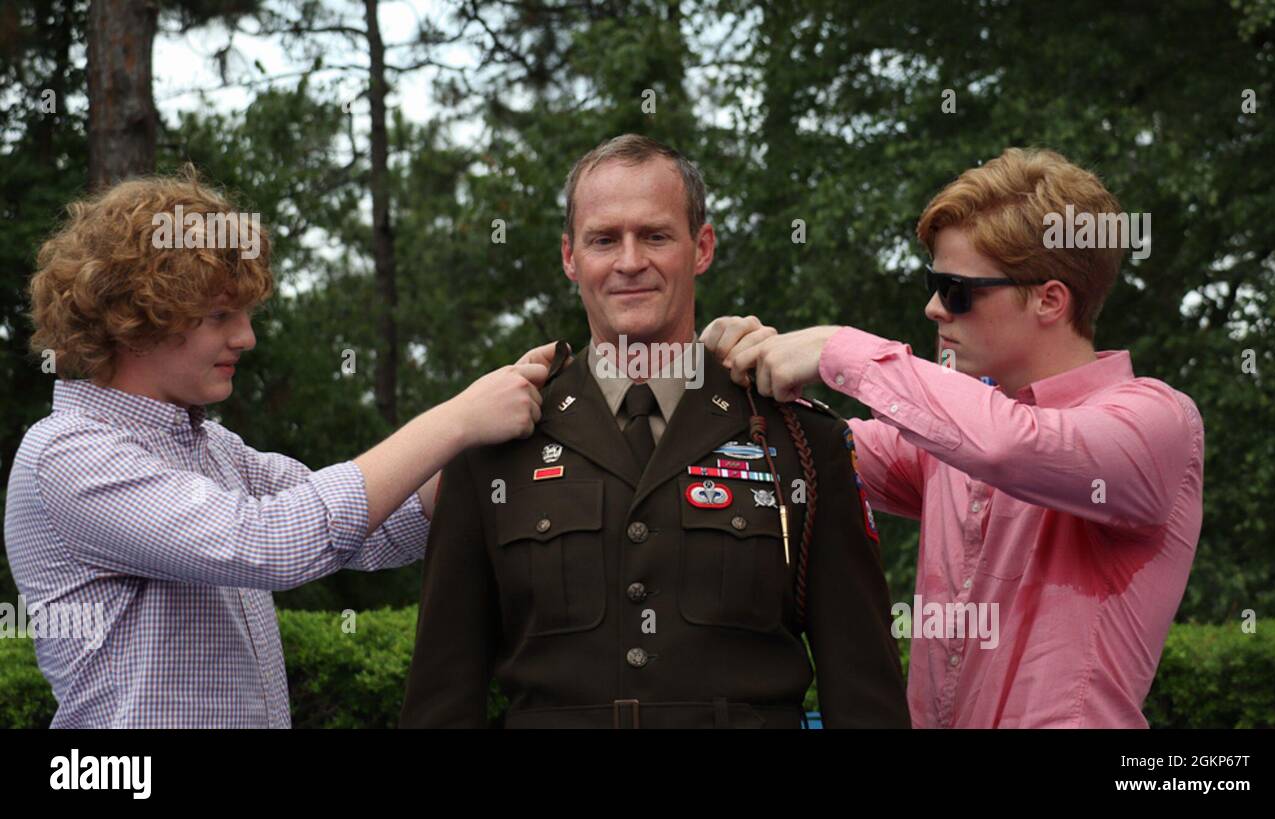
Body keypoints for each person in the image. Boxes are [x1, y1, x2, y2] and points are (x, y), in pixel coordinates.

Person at [4, 172, 550, 727]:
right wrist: (456, 419)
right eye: (220, 316)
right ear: (135, 320)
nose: (247, 337)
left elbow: (374, 527)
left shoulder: (211, 447)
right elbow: (269, 544)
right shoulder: (67, 455)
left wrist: (509, 429)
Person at [399, 134, 909, 729]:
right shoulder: (494, 442)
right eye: (603, 239)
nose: (630, 261)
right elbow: (442, 694)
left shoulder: (800, 440)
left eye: (656, 235)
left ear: (702, 247)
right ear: (570, 257)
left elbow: (864, 689)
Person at [703, 147, 1204, 728]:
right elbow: (817, 453)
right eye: (933, 282)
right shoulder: (954, 435)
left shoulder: (1157, 420)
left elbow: (1012, 446)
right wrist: (736, 378)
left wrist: (839, 347)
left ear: (1049, 299)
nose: (934, 307)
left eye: (957, 289)